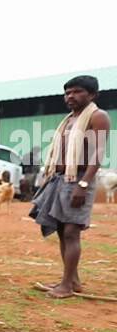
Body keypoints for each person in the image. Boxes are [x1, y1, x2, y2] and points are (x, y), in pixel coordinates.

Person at [30, 75, 111, 299]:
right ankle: (72, 281)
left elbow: (98, 154)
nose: (70, 96)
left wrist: (83, 184)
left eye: (76, 92)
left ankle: (66, 286)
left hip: (78, 180)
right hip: (59, 179)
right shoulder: (69, 119)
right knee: (59, 229)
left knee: (71, 232)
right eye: (67, 93)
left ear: (92, 95)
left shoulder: (97, 117)